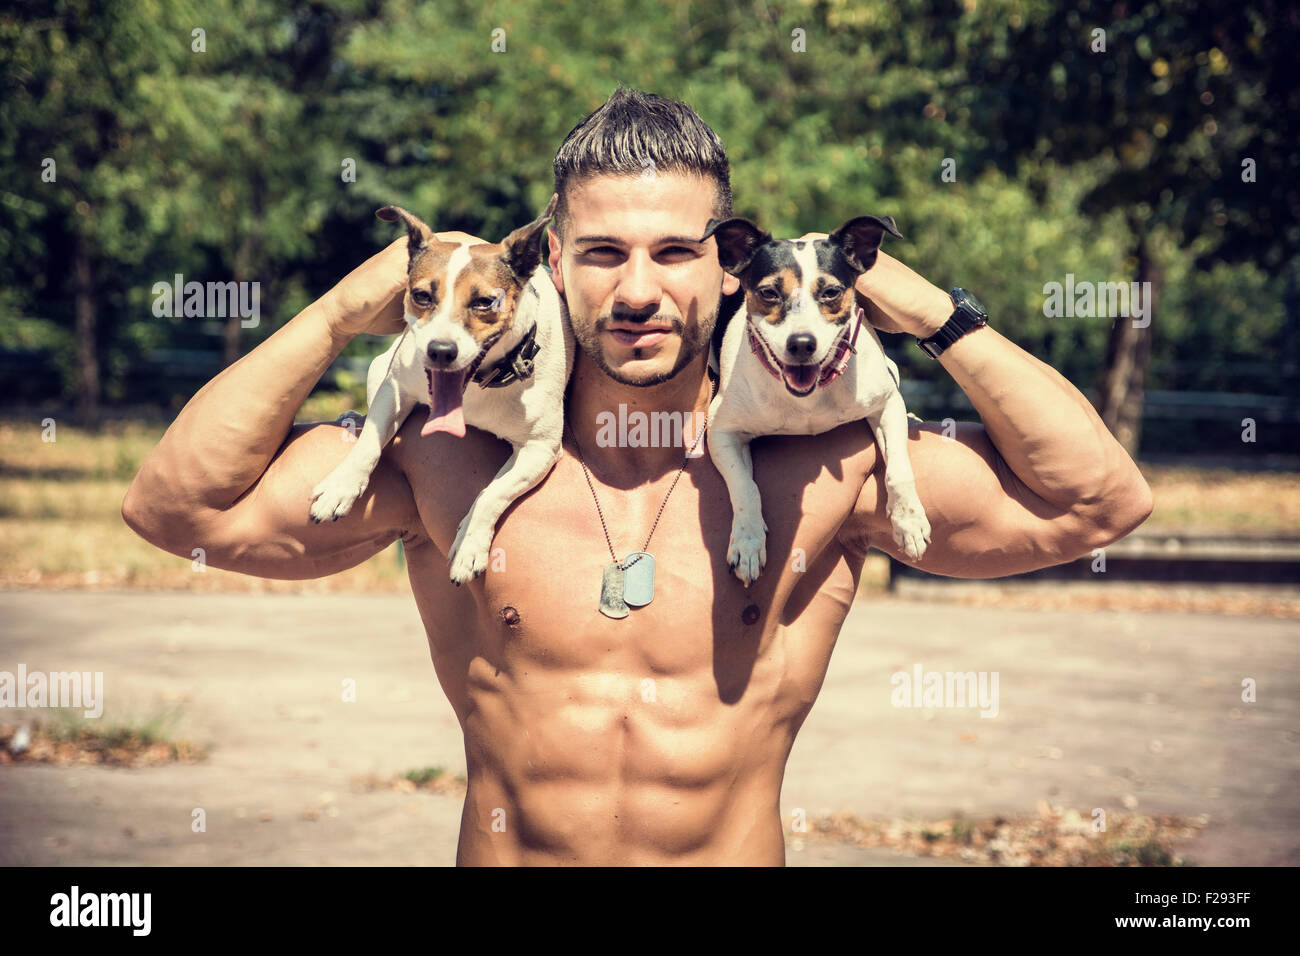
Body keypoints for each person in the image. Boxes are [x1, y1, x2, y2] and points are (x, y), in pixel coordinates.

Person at [123, 87, 1152, 865]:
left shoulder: (825, 467)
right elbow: (179, 507)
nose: (639, 289)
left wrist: (928, 310)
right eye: (604, 252)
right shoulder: (443, 457)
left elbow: (1097, 500)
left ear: (728, 266)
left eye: (675, 251)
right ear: (551, 264)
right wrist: (344, 311)